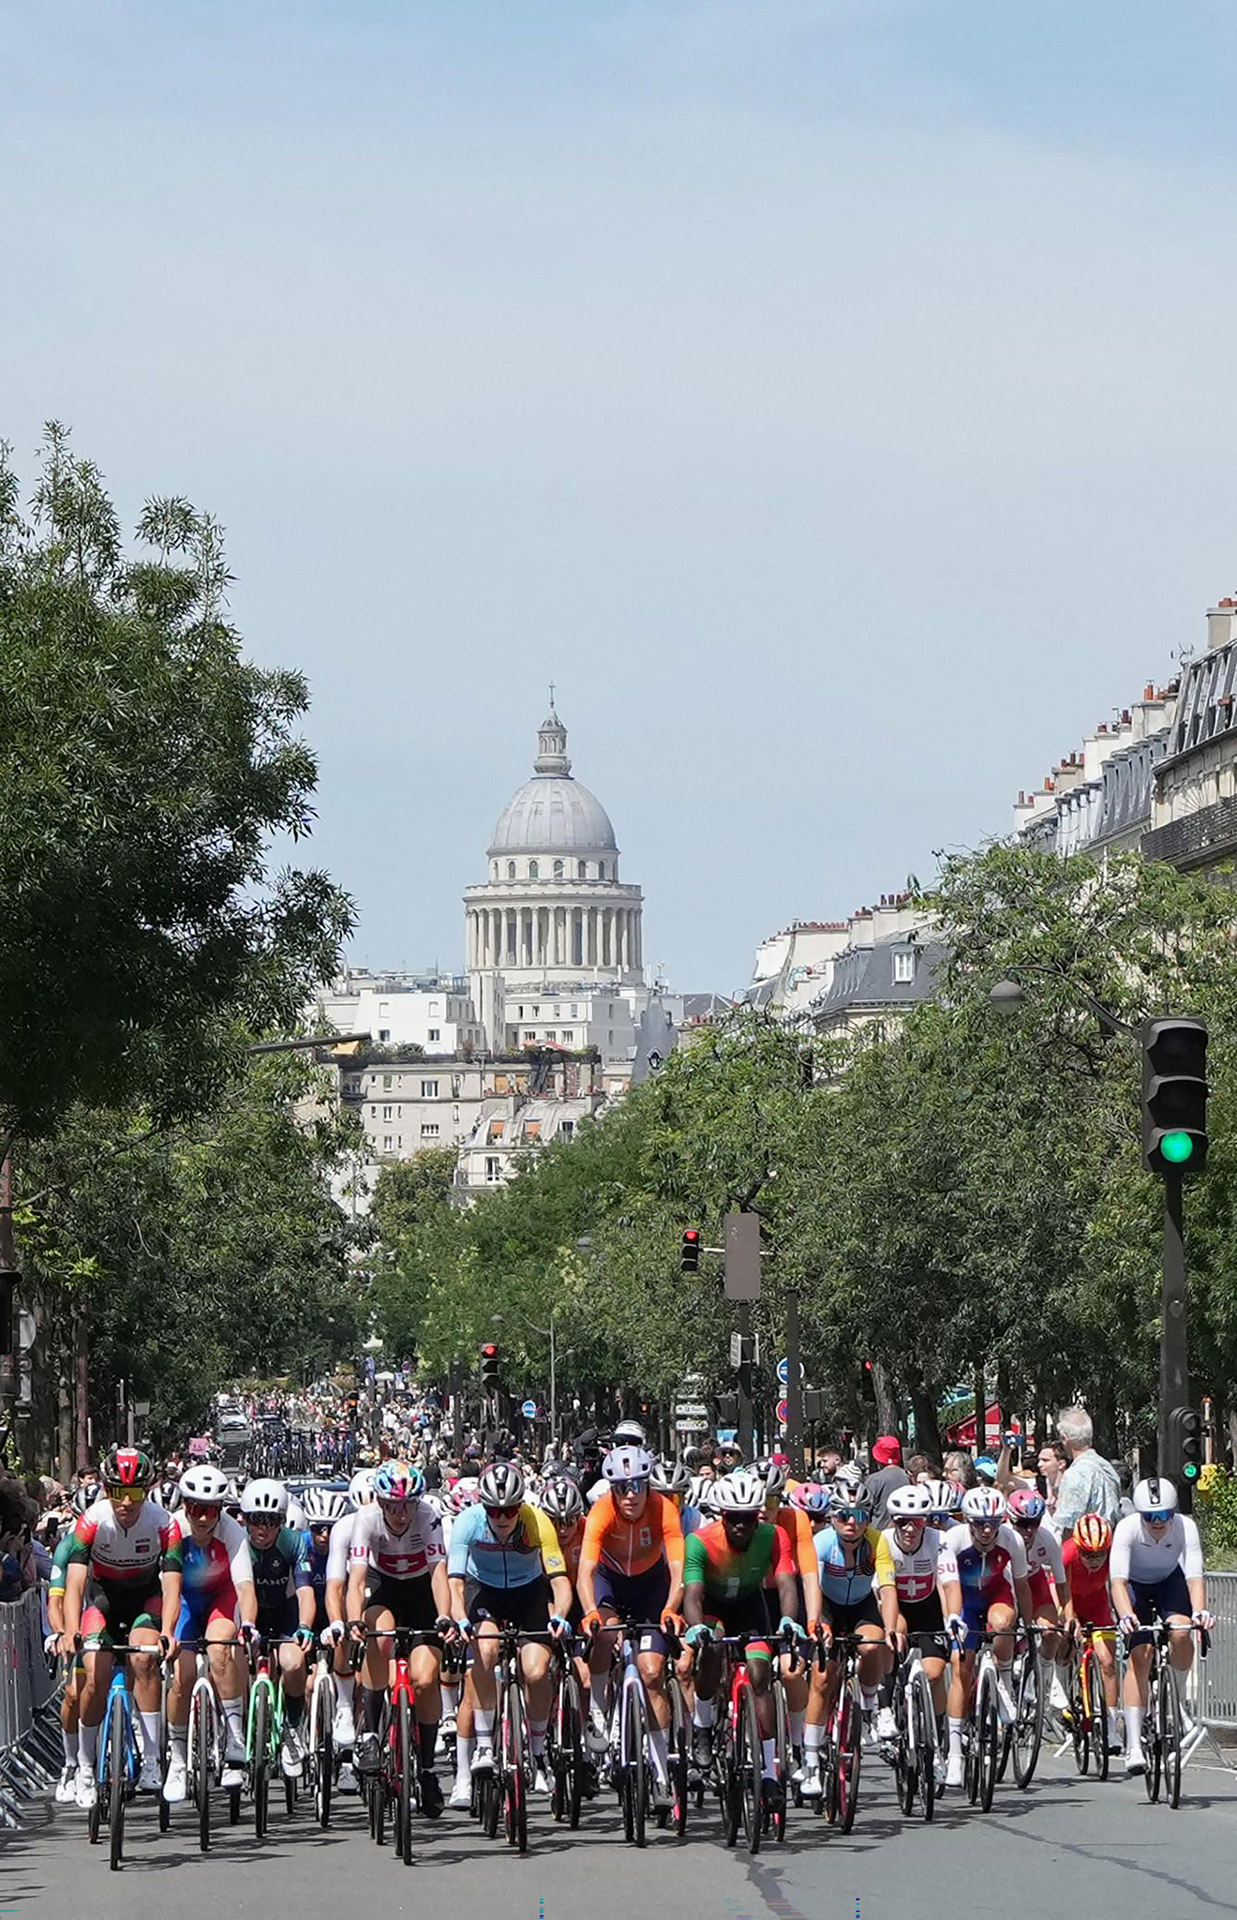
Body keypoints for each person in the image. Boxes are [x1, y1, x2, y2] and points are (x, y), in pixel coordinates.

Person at [448, 1460, 572, 1799]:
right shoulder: (468, 1522)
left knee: (536, 1671)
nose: (502, 1518)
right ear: (483, 1507)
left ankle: (538, 1752)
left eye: (510, 1510)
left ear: (521, 1506)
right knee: (485, 1650)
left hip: (528, 1590)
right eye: (494, 1511)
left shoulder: (536, 1520)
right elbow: (455, 1584)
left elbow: (559, 1581)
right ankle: (485, 1745)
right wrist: (459, 1618)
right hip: (482, 1588)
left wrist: (560, 1614)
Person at [683, 1469, 798, 1812]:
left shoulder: (774, 1535)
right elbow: (693, 1594)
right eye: (734, 1519)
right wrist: (695, 1627)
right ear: (722, 1515)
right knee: (714, 1647)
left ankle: (768, 1771)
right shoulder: (700, 1541)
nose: (741, 1526)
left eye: (748, 1519)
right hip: (714, 1608)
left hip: (751, 1608)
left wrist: (789, 1620)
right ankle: (703, 1726)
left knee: (761, 1673)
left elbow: (787, 1584)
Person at [61, 1448, 172, 1806]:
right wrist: (68, 1631)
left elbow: (172, 1583)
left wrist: (168, 1630)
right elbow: (75, 1583)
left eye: (136, 1493)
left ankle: (153, 1758)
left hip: (144, 1599)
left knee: (144, 1661)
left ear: (148, 1491)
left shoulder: (163, 1522)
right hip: (102, 1599)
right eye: (117, 1492)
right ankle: (85, 1766)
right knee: (95, 1675)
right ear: (105, 1490)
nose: (126, 1501)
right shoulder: (91, 1521)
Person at [577, 1445, 685, 1808]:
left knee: (652, 1672)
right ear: (610, 1489)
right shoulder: (601, 1511)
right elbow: (586, 1572)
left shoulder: (663, 1509)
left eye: (637, 1486)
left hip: (651, 1587)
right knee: (605, 1634)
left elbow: (677, 1570)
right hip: (610, 1582)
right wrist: (591, 1609)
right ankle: (596, 1714)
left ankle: (659, 1770)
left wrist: (671, 1607)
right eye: (621, 1488)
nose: (630, 1496)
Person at [347, 1461, 451, 1815]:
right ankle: (371, 1735)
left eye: (407, 1505)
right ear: (380, 1502)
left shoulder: (429, 1516)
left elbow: (439, 1574)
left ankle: (426, 1768)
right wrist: (352, 1620)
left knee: (424, 1679)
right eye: (392, 1505)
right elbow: (357, 1579)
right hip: (384, 1587)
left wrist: (444, 1616)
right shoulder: (366, 1519)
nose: (400, 1514)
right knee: (380, 1635)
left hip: (422, 1591)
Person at [161, 1462, 259, 1801]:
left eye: (212, 1511)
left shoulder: (232, 1531)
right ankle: (176, 1757)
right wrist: (168, 1632)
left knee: (220, 1650)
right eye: (196, 1509)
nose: (203, 1518)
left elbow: (245, 1588)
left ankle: (234, 1738)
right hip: (184, 1600)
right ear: (184, 1505)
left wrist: (247, 1625)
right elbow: (170, 1591)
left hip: (220, 1597)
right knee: (182, 1675)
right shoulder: (171, 1528)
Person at [1109, 1477, 1213, 1779]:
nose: (1158, 1523)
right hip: (1135, 1587)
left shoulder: (1185, 1527)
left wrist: (1200, 1611)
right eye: (1151, 1517)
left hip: (1169, 1582)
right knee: (1139, 1654)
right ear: (1139, 1515)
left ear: (1173, 1513)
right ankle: (1133, 1745)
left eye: (1164, 1516)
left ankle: (1175, 1697)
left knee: (1181, 1632)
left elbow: (1194, 1576)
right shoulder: (1127, 1529)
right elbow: (1118, 1581)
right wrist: (1126, 1615)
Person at [937, 1487, 1033, 1787]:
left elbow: (1021, 1584)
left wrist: (1028, 1627)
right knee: (960, 1665)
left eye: (993, 1521)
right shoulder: (952, 1540)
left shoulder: (1012, 1539)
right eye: (979, 1523)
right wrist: (949, 1620)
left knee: (1005, 1621)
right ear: (967, 1521)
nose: (987, 1529)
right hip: (962, 1600)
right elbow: (945, 1586)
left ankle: (1003, 1682)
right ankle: (954, 1754)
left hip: (995, 1594)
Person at [239, 1479, 316, 1778]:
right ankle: (237, 1726)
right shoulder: (238, 1542)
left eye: (272, 1521)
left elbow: (306, 1592)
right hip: (247, 1612)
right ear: (245, 1519)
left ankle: (293, 1726)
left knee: (293, 1662)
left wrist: (306, 1626)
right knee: (228, 1662)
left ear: (281, 1522)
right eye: (257, 1520)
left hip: (284, 1612)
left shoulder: (292, 1542)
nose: (264, 1529)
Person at [1061, 1513, 1121, 1756]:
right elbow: (1059, 1589)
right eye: (1087, 1555)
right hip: (1070, 1602)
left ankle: (1112, 1724)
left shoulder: (1115, 1554)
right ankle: (1065, 1695)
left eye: (1100, 1554)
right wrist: (1068, 1618)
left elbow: (1120, 1583)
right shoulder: (1067, 1554)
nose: (1094, 1561)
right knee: (1064, 1645)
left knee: (1107, 1662)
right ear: (1078, 1548)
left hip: (1097, 1606)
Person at [1053, 1410, 1120, 1534]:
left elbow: (1066, 1525)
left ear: (1065, 1439)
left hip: (1085, 1547)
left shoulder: (1075, 1474)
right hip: (1109, 1543)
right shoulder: (1107, 1467)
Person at [866, 1437, 910, 1525]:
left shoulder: (874, 1480)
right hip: (903, 1531)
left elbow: (865, 1509)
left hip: (878, 1535)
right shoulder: (908, 1477)